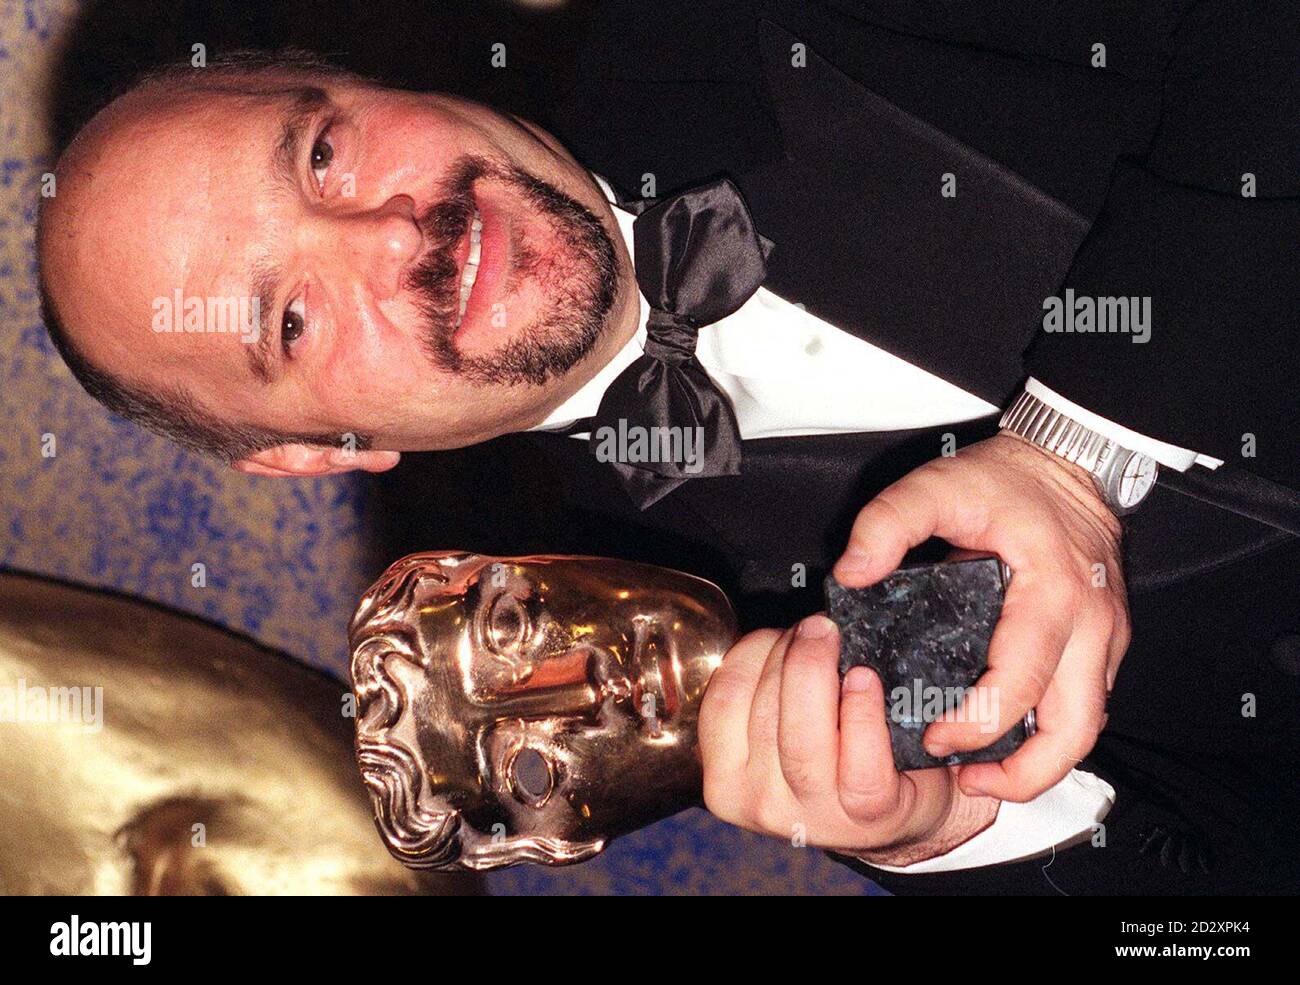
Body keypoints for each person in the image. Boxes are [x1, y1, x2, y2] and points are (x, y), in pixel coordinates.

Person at [35, 0, 1299, 892]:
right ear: (315, 452)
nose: (391, 232)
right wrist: (957, 833)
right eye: (291, 320)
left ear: (371, 79)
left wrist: (1074, 448)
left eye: (323, 151)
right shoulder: (656, 673)